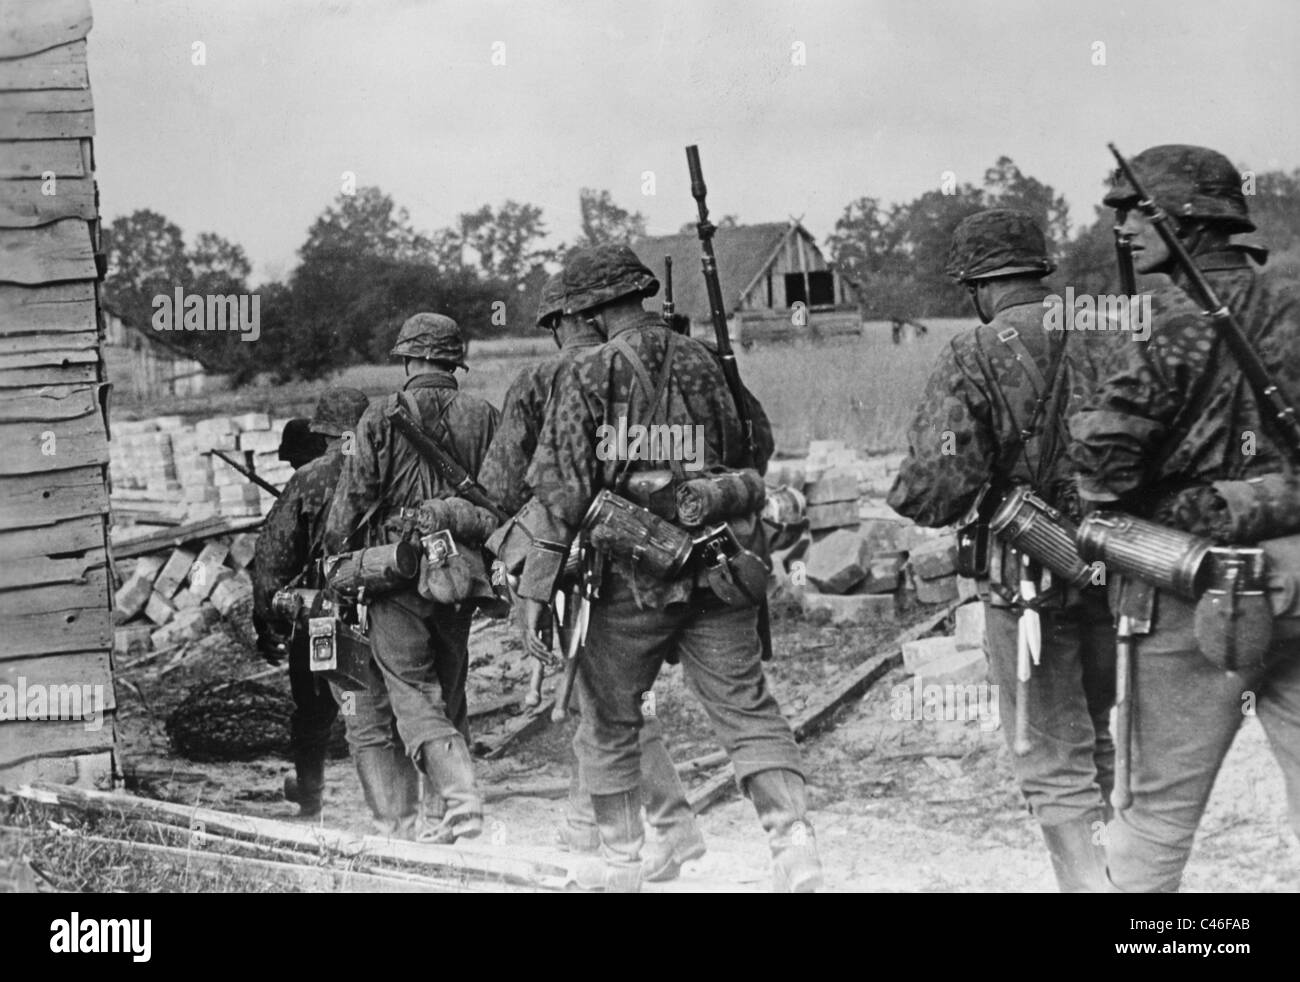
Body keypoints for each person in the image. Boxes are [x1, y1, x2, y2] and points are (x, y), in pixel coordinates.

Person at [510, 244, 822, 893]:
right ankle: (793, 844)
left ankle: (623, 863)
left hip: (628, 583)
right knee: (746, 709)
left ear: (592, 313)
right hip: (718, 567)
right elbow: (755, 446)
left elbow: (561, 491)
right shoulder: (707, 359)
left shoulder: (587, 373)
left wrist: (536, 590)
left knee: (611, 720)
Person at [1070, 144, 1300, 892]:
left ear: (1187, 220)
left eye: (1137, 209)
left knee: (1155, 818)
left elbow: (1102, 474)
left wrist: (1180, 502)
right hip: (1297, 579)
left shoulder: (1163, 325)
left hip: (1188, 593)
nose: (1124, 225)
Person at [888, 208, 1123, 891]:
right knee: (1102, 731)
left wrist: (906, 493)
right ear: (1039, 271)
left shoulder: (972, 354)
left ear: (978, 286)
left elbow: (935, 483)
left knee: (1051, 752)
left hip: (1028, 585)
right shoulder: (1109, 338)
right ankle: (1124, 875)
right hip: (1122, 569)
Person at [479, 273, 705, 883]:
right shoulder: (655, 363)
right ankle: (599, 824)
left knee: (606, 704)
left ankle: (665, 828)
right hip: (651, 551)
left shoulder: (540, 379)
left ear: (562, 321)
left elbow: (501, 484)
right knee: (606, 702)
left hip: (573, 563)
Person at [325, 313, 499, 843]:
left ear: (409, 358)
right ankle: (442, 816)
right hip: (460, 576)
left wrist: (340, 563)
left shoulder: (377, 419)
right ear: (453, 361)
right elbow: (502, 498)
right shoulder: (486, 415)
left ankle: (463, 805)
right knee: (450, 693)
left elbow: (349, 502)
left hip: (396, 575)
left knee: (412, 693)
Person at [252, 388, 370, 819]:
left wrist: (269, 620)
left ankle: (311, 799)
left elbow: (271, 559)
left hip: (322, 613)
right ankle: (400, 804)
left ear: (324, 433)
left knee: (313, 711)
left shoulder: (310, 478)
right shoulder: (394, 467)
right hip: (387, 608)